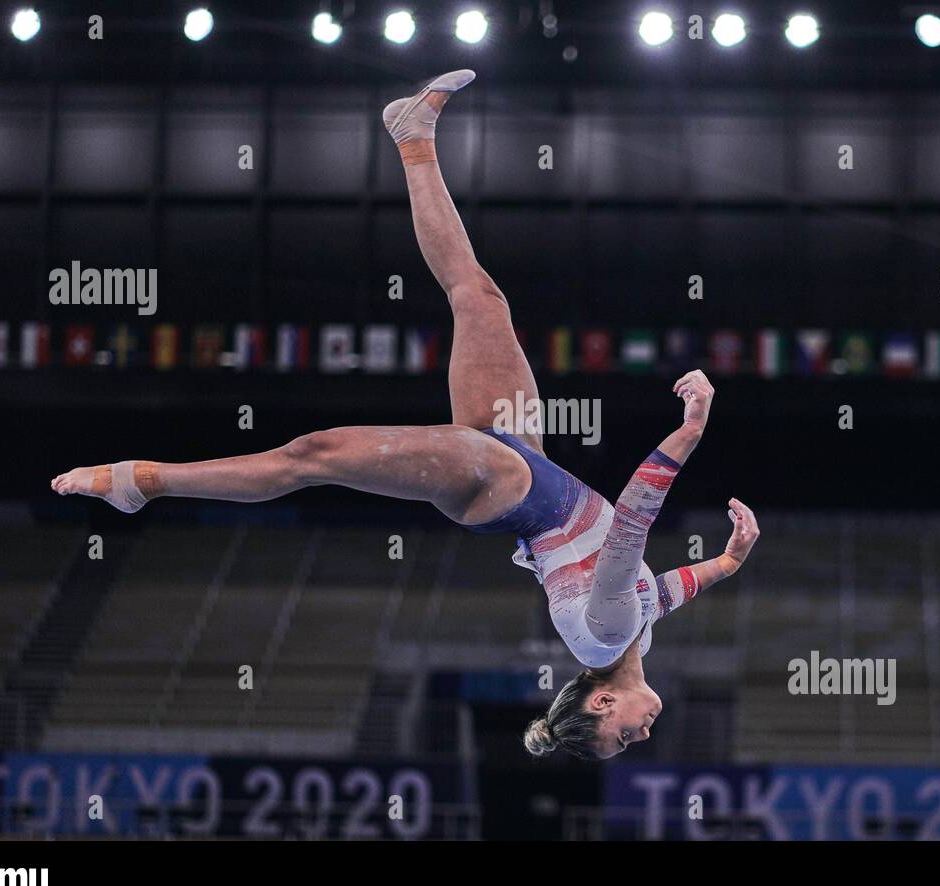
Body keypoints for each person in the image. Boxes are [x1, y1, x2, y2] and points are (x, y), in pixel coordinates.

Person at [51, 70, 759, 761]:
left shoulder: (601, 636)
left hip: (506, 487)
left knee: (315, 453)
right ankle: (411, 133)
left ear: (601, 702)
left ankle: (142, 480)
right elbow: (664, 588)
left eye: (624, 736)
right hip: (524, 457)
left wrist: (687, 433)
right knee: (479, 297)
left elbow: (631, 527)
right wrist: (728, 560)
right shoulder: (634, 631)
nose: (642, 733)